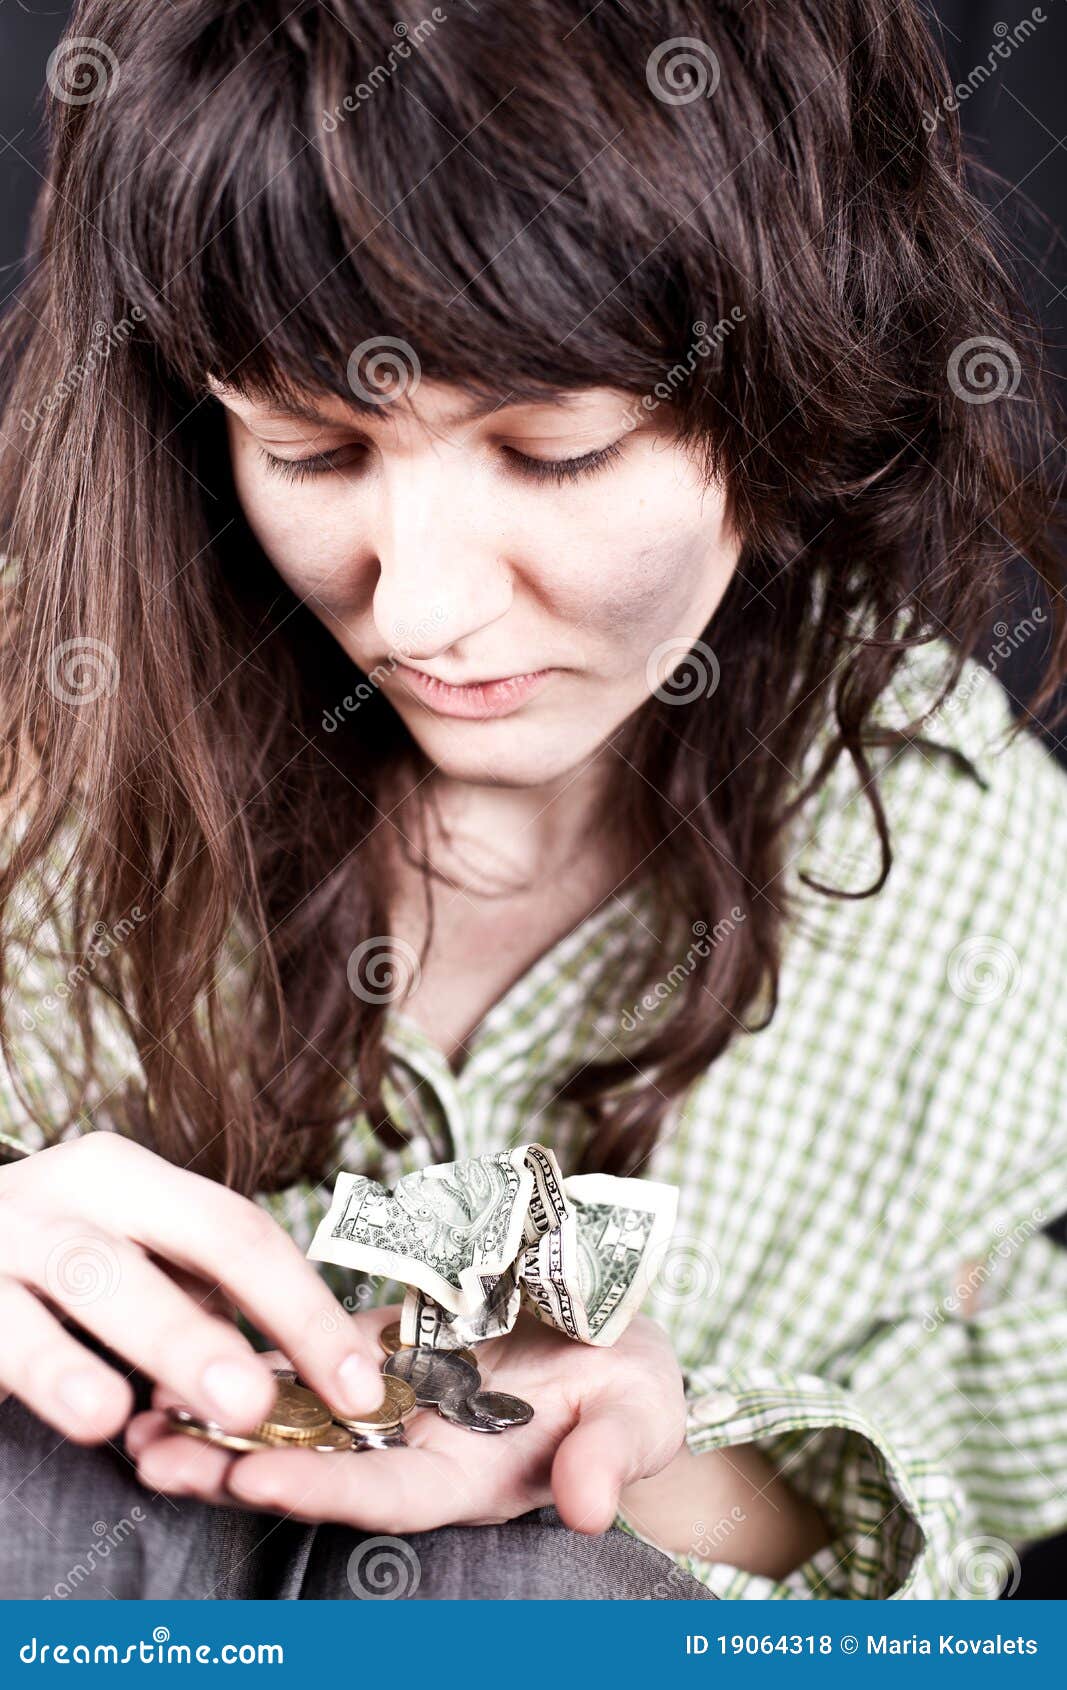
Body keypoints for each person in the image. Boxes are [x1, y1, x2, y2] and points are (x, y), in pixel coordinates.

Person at [0, 0, 1065, 1603]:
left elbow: (956, 1505)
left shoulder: (977, 872)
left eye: (553, 449)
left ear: (791, 373)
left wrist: (642, 1460)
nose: (419, 611)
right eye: (309, 447)